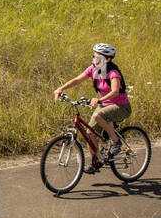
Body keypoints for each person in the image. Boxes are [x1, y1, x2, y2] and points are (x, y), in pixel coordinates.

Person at [52, 42, 131, 173]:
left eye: (98, 58)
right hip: (104, 105)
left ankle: (116, 142)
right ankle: (96, 162)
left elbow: (115, 91)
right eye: (94, 57)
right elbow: (77, 80)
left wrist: (100, 99)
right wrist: (61, 88)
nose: (95, 60)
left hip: (120, 106)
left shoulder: (113, 73)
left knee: (97, 116)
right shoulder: (93, 69)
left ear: (108, 59)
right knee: (90, 135)